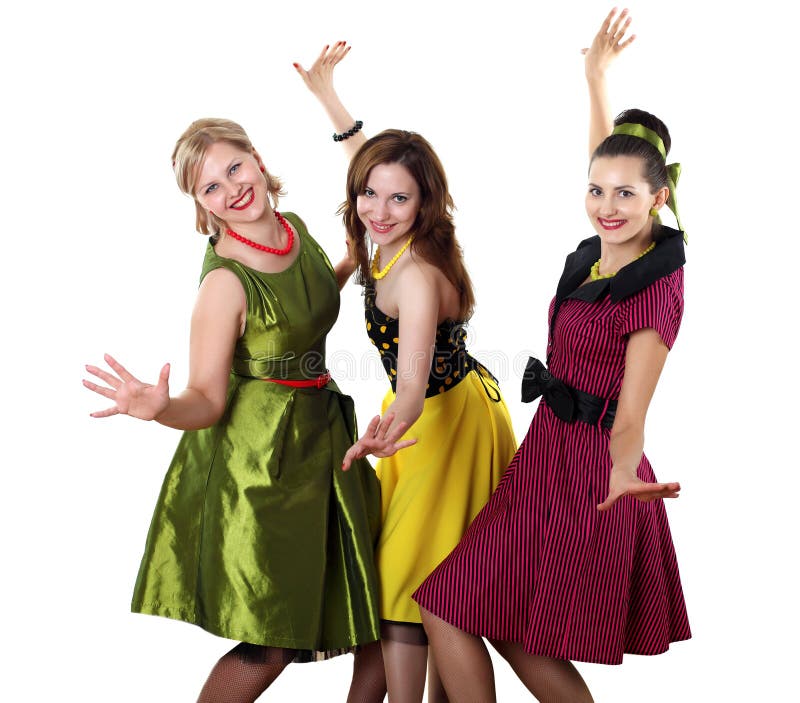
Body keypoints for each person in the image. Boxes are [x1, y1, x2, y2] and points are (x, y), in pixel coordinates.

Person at [82, 45, 405, 703]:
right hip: (261, 462)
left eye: (236, 166)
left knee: (381, 604)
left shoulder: (292, 230)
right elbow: (204, 397)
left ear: (258, 159)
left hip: (324, 440)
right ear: (200, 204)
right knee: (273, 636)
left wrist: (348, 261)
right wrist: (159, 405)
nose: (232, 187)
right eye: (211, 185)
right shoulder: (225, 283)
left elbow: (324, 277)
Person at [413, 10, 691, 702]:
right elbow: (610, 158)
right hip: (544, 455)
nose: (606, 205)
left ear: (660, 198)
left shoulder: (656, 289)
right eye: (596, 190)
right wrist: (594, 77)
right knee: (472, 608)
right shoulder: (606, 242)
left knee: (463, 608)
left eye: (626, 194)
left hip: (594, 474)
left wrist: (626, 468)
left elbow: (632, 414)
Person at [297, 62, 518, 701]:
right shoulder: (375, 232)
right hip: (420, 412)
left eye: (400, 198)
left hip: (443, 420)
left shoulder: (418, 275)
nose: (380, 209)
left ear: (425, 203)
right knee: (421, 573)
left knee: (409, 574)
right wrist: (327, 97)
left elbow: (416, 388)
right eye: (370, 194)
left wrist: (379, 439)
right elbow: (367, 161)